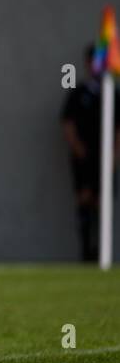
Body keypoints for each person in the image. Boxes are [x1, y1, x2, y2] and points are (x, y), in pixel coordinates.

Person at [61, 43, 119, 261]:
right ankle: (86, 252)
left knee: (102, 202)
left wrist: (113, 155)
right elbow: (67, 123)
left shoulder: (113, 93)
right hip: (85, 157)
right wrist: (77, 148)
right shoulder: (78, 92)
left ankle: (101, 252)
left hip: (105, 159)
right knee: (84, 200)